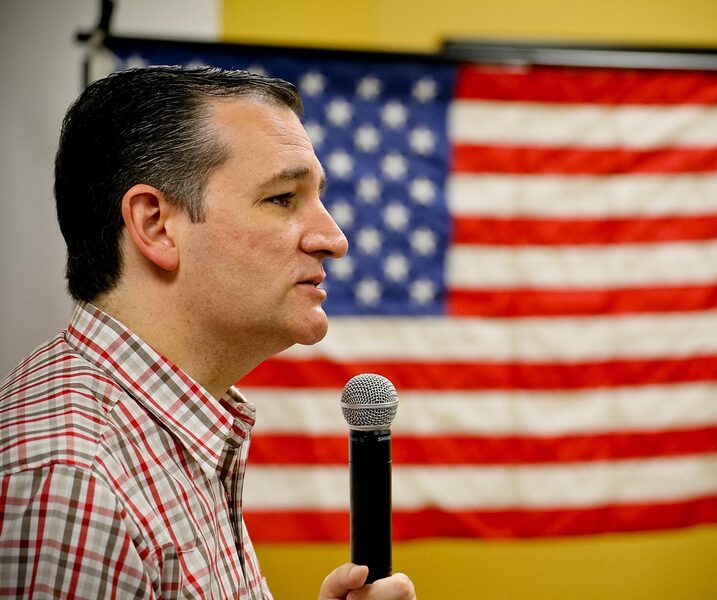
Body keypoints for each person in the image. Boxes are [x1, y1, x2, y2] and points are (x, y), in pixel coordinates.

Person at [0, 66, 416, 600]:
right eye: (282, 198)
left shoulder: (164, 435)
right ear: (155, 225)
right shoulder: (74, 484)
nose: (334, 239)